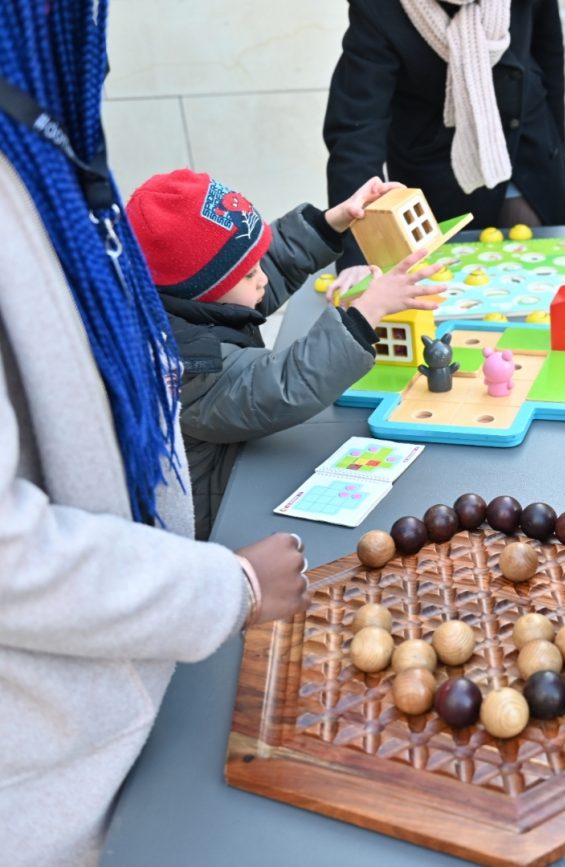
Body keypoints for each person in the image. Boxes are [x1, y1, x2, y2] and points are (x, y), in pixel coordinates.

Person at [0, 3, 309, 865]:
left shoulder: (48, 161)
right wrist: (227, 586)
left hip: (142, 691)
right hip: (60, 783)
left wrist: (324, 229)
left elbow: (246, 273)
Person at [126, 168, 443, 540]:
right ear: (201, 290)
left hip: (242, 470)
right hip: (214, 523)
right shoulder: (179, 366)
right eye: (247, 274)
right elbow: (279, 388)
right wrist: (365, 313)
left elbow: (269, 266)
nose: (261, 277)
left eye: (256, 261)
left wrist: (332, 222)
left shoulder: (194, 300)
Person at [322, 0, 565, 270]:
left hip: (528, 161)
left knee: (543, 287)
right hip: (438, 182)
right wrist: (360, 257)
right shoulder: (379, 8)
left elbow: (549, 61)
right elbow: (356, 133)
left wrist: (555, 153)